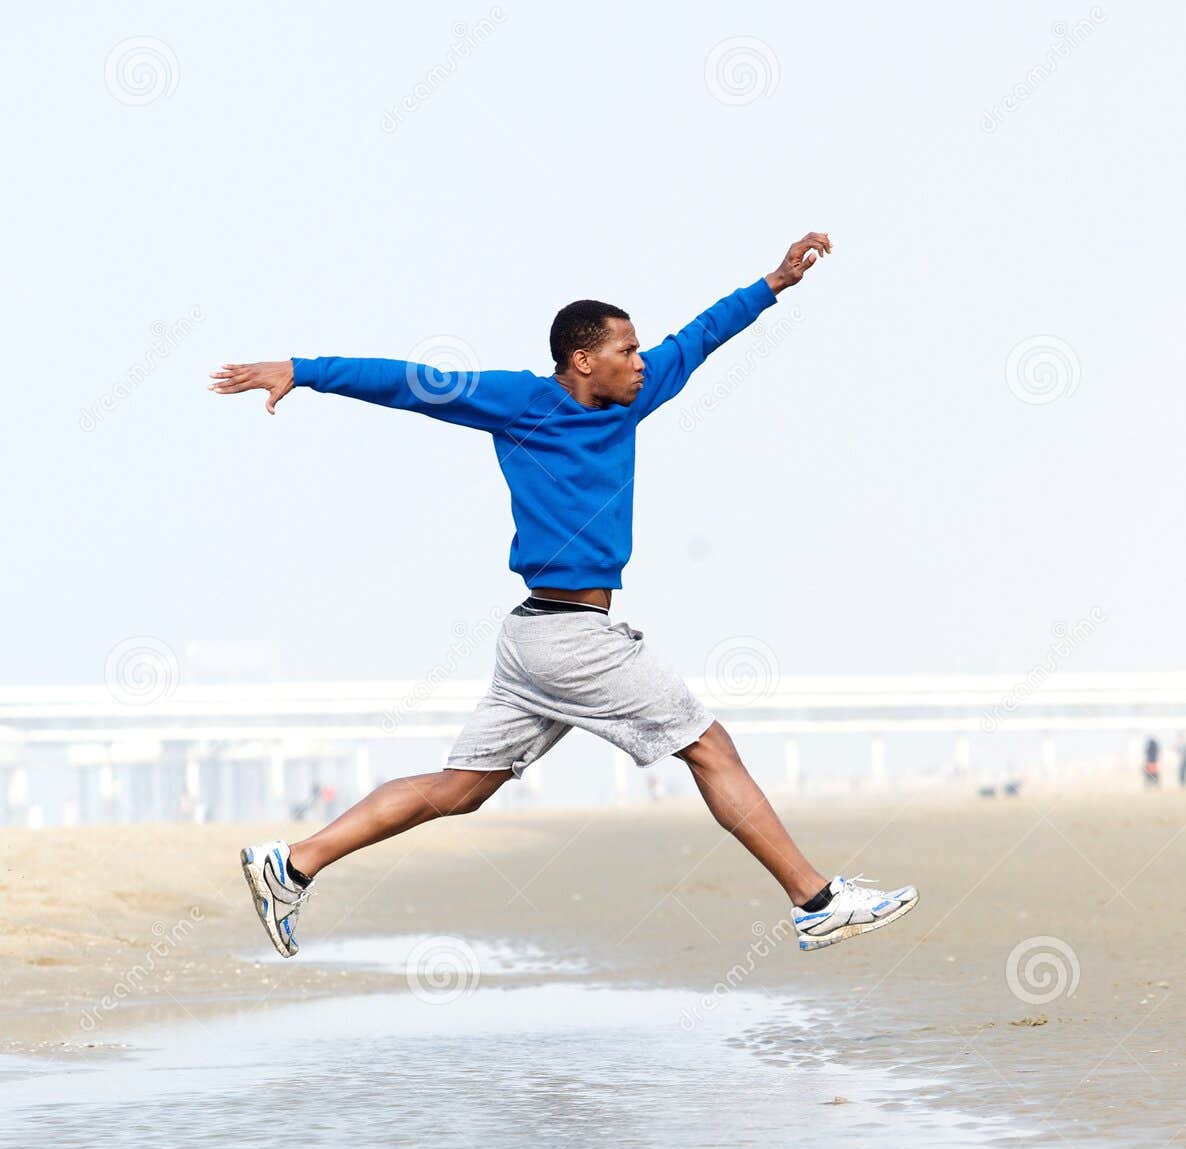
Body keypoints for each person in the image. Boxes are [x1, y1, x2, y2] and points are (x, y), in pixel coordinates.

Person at [210, 231, 918, 958]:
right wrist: (302, 369)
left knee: (460, 790)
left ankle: (293, 864)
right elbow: (407, 380)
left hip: (533, 638)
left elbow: (702, 335)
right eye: (627, 351)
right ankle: (816, 901)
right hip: (571, 641)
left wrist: (772, 284)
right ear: (584, 361)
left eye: (642, 351)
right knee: (708, 747)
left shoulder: (629, 399)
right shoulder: (519, 401)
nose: (643, 362)